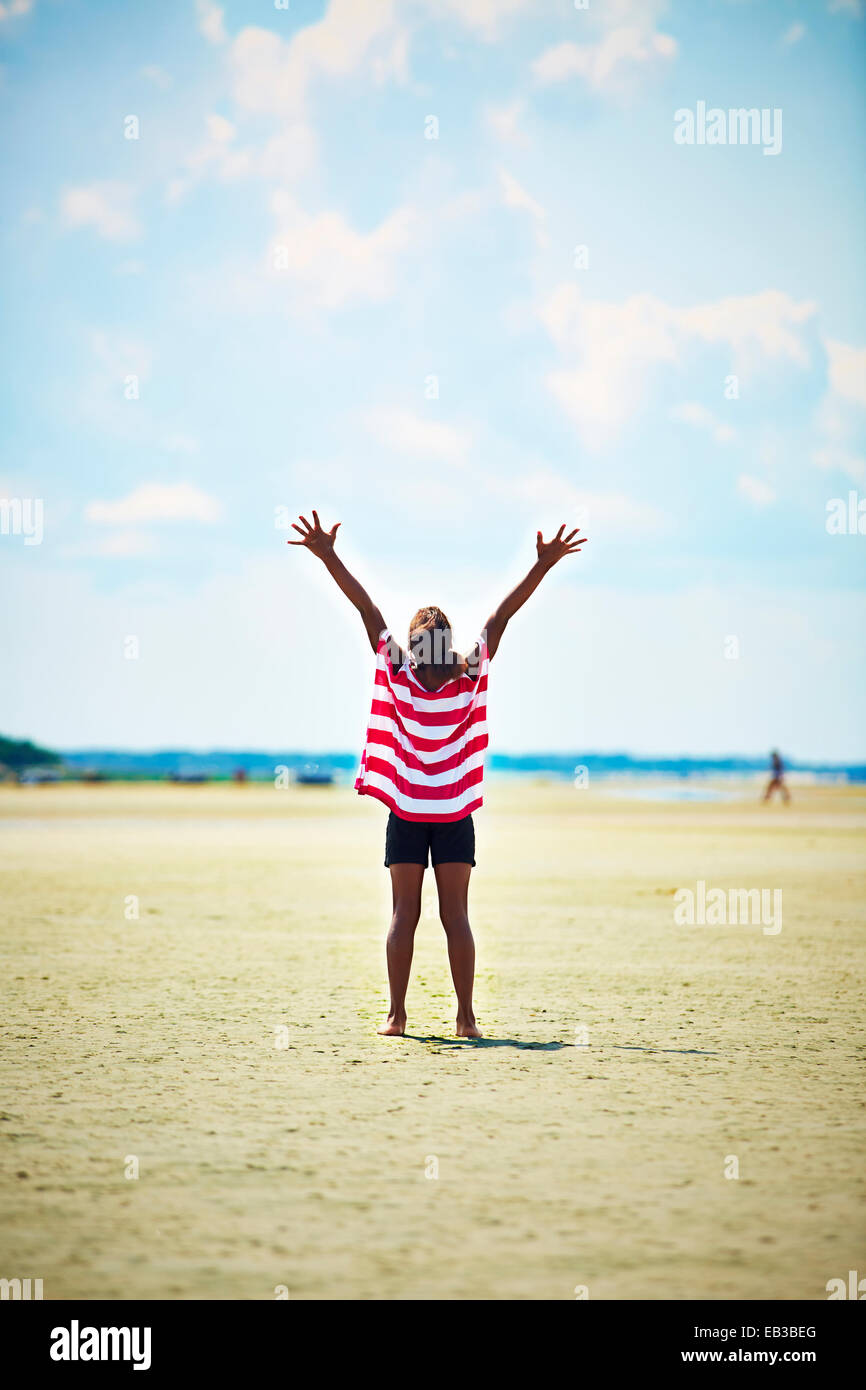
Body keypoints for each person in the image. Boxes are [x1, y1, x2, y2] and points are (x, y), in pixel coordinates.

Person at [289, 510, 587, 1038]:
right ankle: (466, 1019)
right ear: (448, 641)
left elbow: (365, 606)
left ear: (411, 643)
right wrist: (541, 566)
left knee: (405, 914)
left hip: (406, 810)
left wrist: (328, 555)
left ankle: (396, 1017)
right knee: (457, 917)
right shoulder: (469, 673)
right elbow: (503, 616)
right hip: (453, 814)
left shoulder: (398, 672)